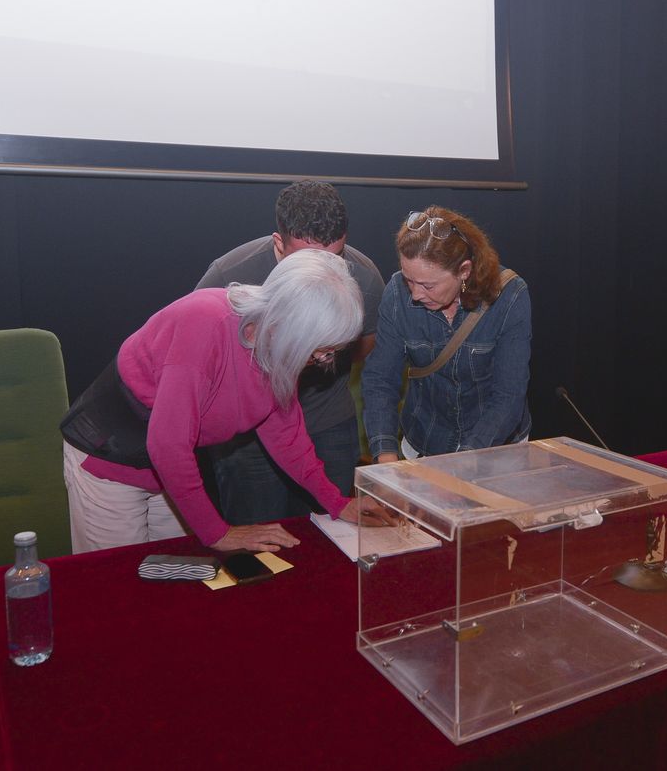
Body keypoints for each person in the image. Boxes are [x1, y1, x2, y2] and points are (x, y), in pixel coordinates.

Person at [60, 249, 387, 554]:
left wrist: (337, 502)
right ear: (291, 328)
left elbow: (285, 435)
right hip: (109, 464)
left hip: (164, 473)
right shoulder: (203, 324)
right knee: (120, 588)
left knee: (174, 578)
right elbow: (168, 444)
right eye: (320, 349)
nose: (325, 359)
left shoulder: (279, 344)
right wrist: (219, 534)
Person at [194, 180, 384, 523]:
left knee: (334, 534)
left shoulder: (365, 277)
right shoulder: (229, 275)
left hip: (328, 423)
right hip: (246, 436)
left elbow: (362, 349)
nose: (326, 271)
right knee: (261, 542)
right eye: (309, 259)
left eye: (336, 256)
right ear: (278, 243)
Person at [362, 206, 531, 462]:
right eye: (410, 280)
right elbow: (380, 381)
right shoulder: (396, 292)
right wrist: (385, 457)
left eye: (428, 285)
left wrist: (463, 462)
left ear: (464, 271)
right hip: (424, 443)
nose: (416, 294)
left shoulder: (509, 295)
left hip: (495, 449)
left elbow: (508, 396)